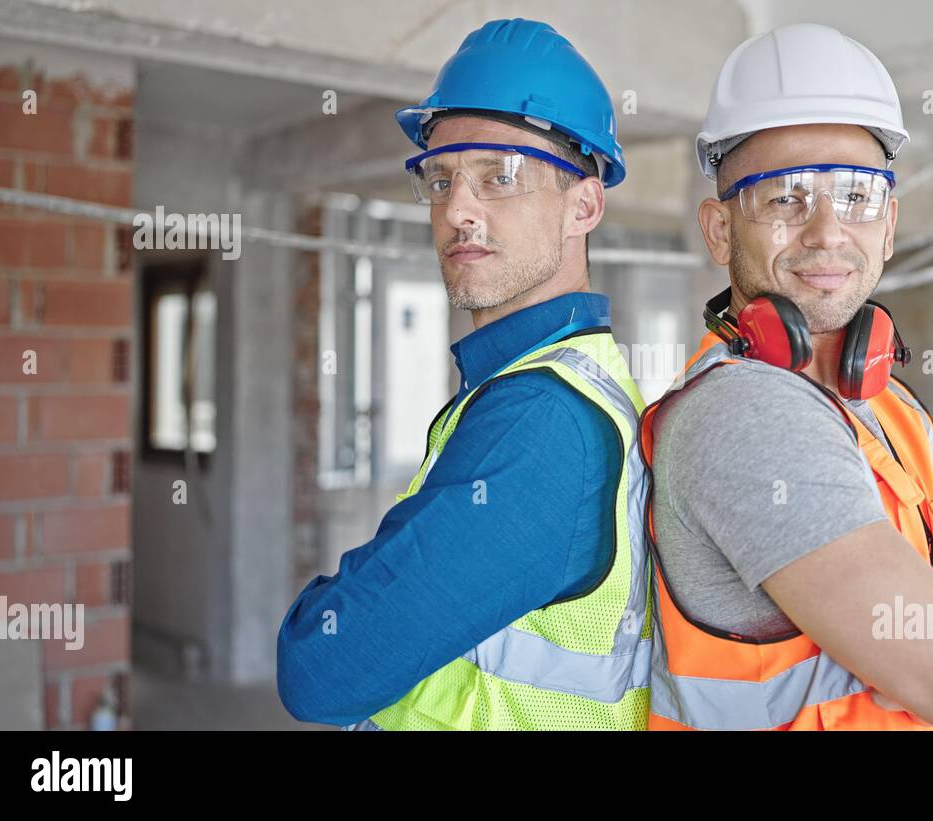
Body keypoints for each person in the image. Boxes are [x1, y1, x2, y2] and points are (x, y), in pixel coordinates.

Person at [639, 23, 933, 731]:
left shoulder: (889, 406)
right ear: (721, 230)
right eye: (784, 197)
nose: (827, 230)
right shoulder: (745, 420)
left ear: (888, 225)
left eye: (856, 194)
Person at [277, 18, 652, 730]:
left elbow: (317, 667)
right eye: (441, 178)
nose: (458, 210)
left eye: (499, 176)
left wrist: (349, 592)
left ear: (585, 205)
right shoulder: (531, 385)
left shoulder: (545, 423)